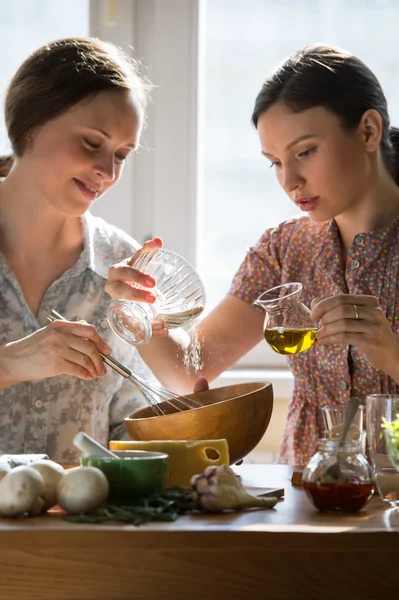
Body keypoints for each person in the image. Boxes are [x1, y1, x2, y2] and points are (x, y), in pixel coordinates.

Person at [106, 44, 399, 466]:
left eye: (305, 151)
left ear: (369, 131)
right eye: (274, 163)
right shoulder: (283, 250)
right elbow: (192, 372)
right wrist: (139, 308)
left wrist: (390, 354)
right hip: (307, 499)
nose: (290, 180)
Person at [0, 37, 165, 462]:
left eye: (122, 154)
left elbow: (130, 426)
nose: (107, 172)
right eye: (92, 143)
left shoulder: (124, 268)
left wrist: (182, 422)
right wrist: (10, 364)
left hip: (80, 528)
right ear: (31, 124)